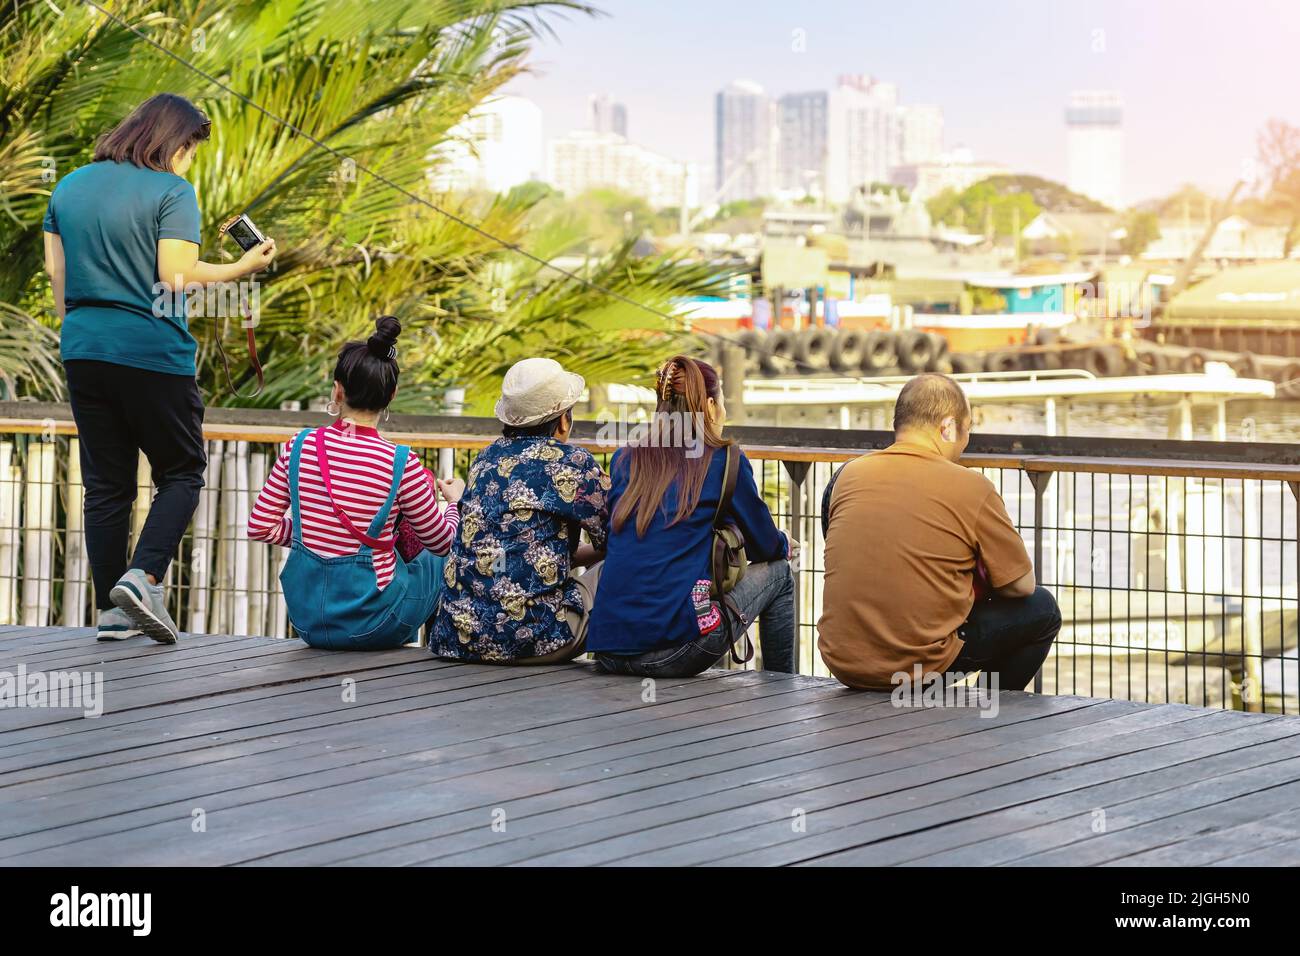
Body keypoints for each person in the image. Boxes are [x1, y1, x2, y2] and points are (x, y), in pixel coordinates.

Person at [42, 93, 278, 643]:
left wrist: (85, 327)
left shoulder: (69, 184)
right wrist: (243, 265)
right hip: (151, 352)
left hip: (83, 346)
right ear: (172, 140)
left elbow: (59, 276)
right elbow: (174, 276)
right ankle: (143, 577)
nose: (190, 161)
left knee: (106, 485)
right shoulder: (173, 191)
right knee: (181, 470)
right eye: (191, 149)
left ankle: (112, 612)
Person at [818, 373, 1061, 691]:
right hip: (915, 671)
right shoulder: (972, 486)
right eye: (967, 428)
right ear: (948, 427)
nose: (966, 440)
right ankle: (989, 709)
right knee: (1043, 609)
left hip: (844, 663)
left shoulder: (848, 475)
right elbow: (1021, 587)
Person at [247, 317, 461, 650]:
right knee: (437, 558)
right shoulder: (403, 464)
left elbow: (260, 526)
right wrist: (453, 506)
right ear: (392, 394)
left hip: (308, 622)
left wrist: (312, 533)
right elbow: (442, 543)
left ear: (338, 389)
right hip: (372, 626)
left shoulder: (298, 445)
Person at [588, 356, 797, 678]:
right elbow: (766, 549)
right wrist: (784, 542)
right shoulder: (725, 459)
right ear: (711, 405)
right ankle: (783, 686)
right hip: (675, 653)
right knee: (781, 572)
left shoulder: (625, 457)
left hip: (607, 651)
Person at [430, 358, 609, 664]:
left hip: (458, 640)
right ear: (564, 420)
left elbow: (522, 551)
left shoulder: (486, 459)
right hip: (536, 642)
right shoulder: (574, 463)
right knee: (623, 564)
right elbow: (614, 538)